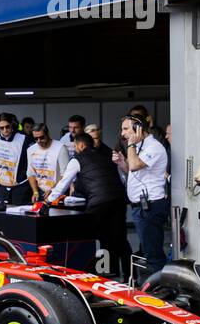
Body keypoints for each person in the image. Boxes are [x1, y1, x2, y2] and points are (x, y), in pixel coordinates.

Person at [47, 131, 129, 276]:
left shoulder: (77, 159)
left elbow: (64, 183)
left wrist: (48, 201)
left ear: (81, 145)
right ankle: (128, 275)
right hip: (119, 199)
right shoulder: (106, 155)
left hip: (99, 201)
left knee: (93, 237)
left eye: (75, 146)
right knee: (118, 237)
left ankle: (100, 272)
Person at [114, 114, 169, 274]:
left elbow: (136, 165)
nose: (122, 133)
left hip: (150, 206)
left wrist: (130, 145)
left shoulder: (154, 147)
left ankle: (161, 289)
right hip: (141, 206)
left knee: (153, 252)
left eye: (125, 129)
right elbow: (133, 171)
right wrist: (122, 163)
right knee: (148, 249)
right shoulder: (141, 146)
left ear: (138, 129)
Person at [0, 112, 31, 205]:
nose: (5, 130)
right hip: (3, 185)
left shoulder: (24, 139)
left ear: (12, 124)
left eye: (7, 126)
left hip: (21, 185)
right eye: (1, 128)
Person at [26, 123, 69, 202]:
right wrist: (35, 192)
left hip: (58, 191)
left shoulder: (60, 148)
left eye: (42, 137)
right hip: (40, 191)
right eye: (36, 139)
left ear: (48, 134)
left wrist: (54, 190)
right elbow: (30, 173)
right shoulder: (30, 150)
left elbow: (65, 175)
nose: (39, 141)